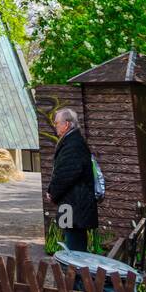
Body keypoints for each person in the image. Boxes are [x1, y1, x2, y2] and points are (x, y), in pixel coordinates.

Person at [47, 107, 98, 253]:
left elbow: (65, 174)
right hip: (70, 203)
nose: (55, 126)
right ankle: (74, 274)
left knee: (74, 247)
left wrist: (52, 193)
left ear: (67, 124)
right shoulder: (72, 141)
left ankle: (75, 275)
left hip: (73, 205)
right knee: (71, 239)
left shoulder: (73, 144)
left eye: (57, 123)